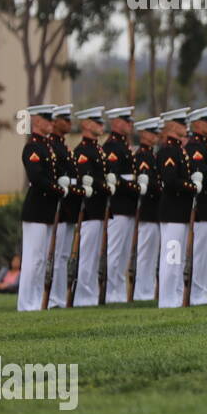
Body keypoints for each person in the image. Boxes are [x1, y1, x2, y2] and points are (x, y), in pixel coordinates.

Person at [17, 104, 64, 311]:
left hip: (45, 209)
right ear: (37, 122)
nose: (51, 123)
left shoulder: (46, 147)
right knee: (32, 260)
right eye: (47, 119)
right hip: (36, 209)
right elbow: (37, 177)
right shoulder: (33, 147)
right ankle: (26, 303)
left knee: (41, 259)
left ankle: (35, 302)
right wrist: (58, 189)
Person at [156, 109, 199, 308]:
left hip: (179, 212)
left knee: (177, 259)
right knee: (171, 258)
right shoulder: (168, 151)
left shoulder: (179, 150)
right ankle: (167, 300)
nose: (185, 128)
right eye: (182, 124)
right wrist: (191, 185)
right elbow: (170, 180)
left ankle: (176, 297)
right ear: (172, 126)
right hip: (172, 211)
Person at [100, 107, 143, 304]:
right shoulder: (111, 147)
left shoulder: (124, 146)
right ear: (116, 123)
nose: (130, 125)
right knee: (114, 253)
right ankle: (109, 293)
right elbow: (113, 177)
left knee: (123, 254)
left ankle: (117, 292)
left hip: (128, 206)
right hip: (117, 206)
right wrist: (132, 185)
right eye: (126, 121)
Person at [70, 107, 109, 307]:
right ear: (85, 124)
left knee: (94, 255)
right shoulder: (83, 151)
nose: (101, 126)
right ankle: (83, 296)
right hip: (89, 209)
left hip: (100, 208)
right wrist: (104, 185)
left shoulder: (97, 149)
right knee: (87, 254)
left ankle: (91, 294)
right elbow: (87, 178)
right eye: (97, 122)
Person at [185, 106, 207, 306]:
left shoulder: (205, 146)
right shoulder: (195, 148)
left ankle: (203, 291)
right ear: (198, 124)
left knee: (206, 254)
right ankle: (196, 293)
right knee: (199, 253)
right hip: (201, 208)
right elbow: (204, 174)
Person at [45, 104, 80, 308]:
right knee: (54, 254)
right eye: (65, 120)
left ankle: (58, 297)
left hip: (67, 206)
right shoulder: (51, 146)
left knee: (63, 255)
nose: (69, 123)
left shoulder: (63, 146)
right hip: (57, 204)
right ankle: (51, 298)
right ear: (55, 122)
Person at [132, 117, 163, 301]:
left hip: (154, 210)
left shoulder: (151, 155)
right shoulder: (143, 156)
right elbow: (149, 182)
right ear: (143, 134)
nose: (155, 136)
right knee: (145, 254)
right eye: (152, 132)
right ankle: (141, 292)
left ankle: (147, 290)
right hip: (148, 210)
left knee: (151, 255)